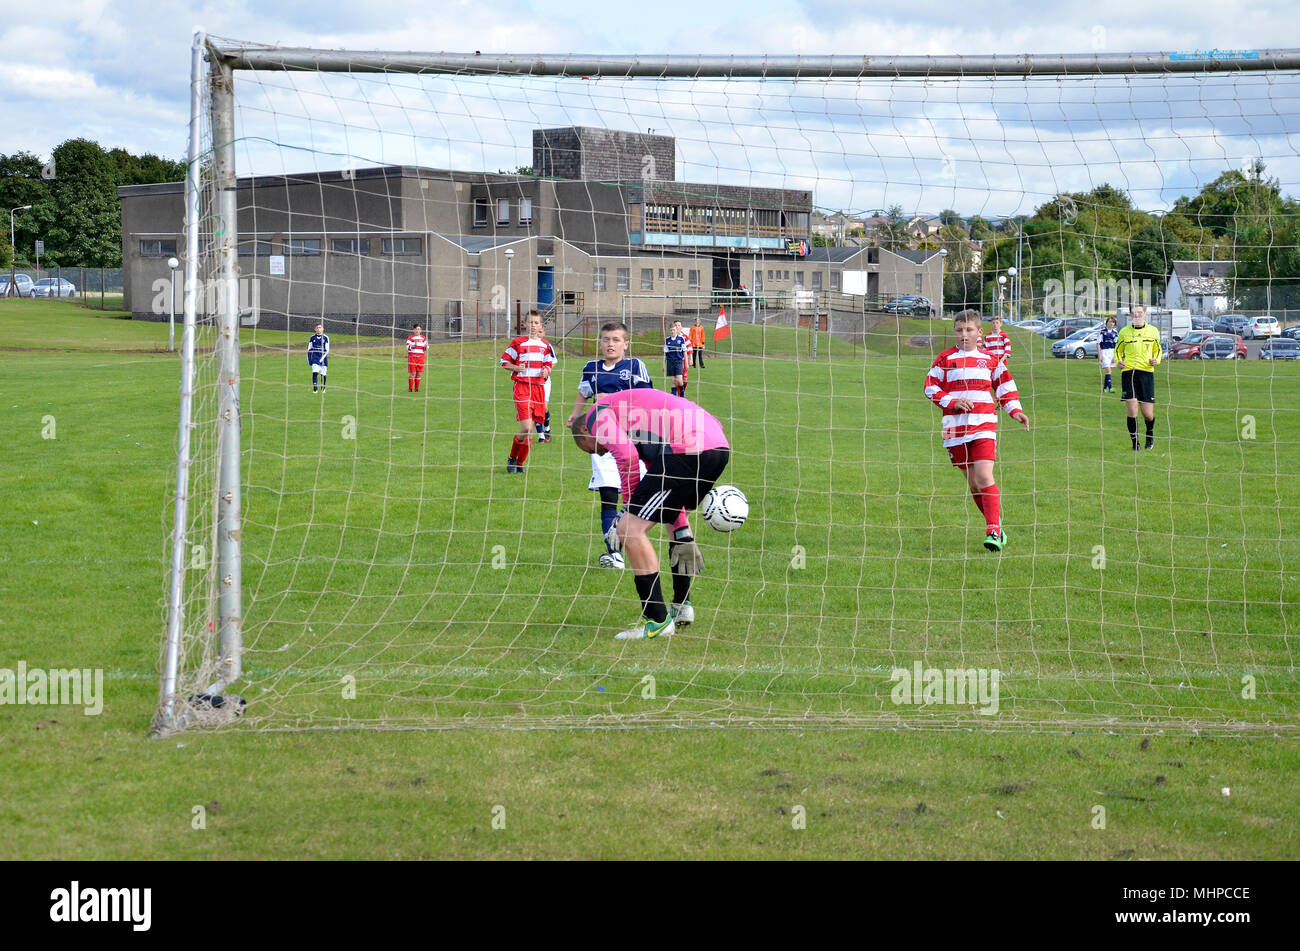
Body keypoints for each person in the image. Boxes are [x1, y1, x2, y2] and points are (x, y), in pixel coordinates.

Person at [570, 389, 729, 640]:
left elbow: (627, 457)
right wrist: (683, 531)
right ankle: (682, 605)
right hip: (717, 445)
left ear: (585, 432)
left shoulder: (594, 415)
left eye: (591, 450)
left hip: (687, 448)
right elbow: (664, 488)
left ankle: (656, 620)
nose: (600, 453)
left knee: (629, 530)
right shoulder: (638, 425)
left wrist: (626, 511)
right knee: (669, 520)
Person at [924, 309, 1030, 552]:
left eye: (969, 330)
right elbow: (930, 388)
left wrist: (1015, 411)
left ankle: (992, 530)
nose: (964, 335)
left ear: (979, 332)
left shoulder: (989, 360)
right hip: (953, 429)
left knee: (983, 477)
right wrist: (952, 402)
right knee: (973, 483)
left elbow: (1005, 388)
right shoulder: (945, 359)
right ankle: (996, 524)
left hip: (983, 425)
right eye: (959, 330)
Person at [566, 321, 654, 568]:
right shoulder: (591, 368)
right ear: (600, 343)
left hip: (633, 442)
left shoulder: (635, 366)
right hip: (602, 440)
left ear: (626, 344)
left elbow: (647, 399)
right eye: (606, 339)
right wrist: (575, 414)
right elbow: (584, 392)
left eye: (616, 340)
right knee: (608, 496)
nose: (610, 344)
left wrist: (614, 400)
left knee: (634, 498)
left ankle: (635, 541)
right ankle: (614, 554)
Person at [500, 312, 556, 474]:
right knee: (526, 427)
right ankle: (512, 457)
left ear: (540, 326)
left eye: (536, 322)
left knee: (530, 429)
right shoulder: (518, 342)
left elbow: (549, 363)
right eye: (530, 322)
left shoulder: (545, 345)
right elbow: (503, 362)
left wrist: (546, 370)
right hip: (522, 387)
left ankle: (519, 463)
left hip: (538, 389)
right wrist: (516, 368)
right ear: (524, 324)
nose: (533, 325)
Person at [1115, 305, 1162, 450]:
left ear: (1145, 313)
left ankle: (1149, 435)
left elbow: (1158, 350)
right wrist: (1119, 362)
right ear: (1130, 315)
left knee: (1148, 414)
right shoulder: (1124, 332)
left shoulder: (1153, 331)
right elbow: (1117, 351)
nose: (1137, 315)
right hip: (1129, 373)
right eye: (1134, 313)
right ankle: (1135, 443)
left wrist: (1157, 360)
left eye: (1140, 312)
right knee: (1132, 411)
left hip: (1147, 374)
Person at [664, 319, 688, 396]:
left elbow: (684, 352)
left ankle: (682, 393)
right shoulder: (667, 340)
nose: (672, 332)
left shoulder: (681, 339)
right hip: (670, 362)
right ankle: (674, 397)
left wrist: (686, 363)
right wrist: (663, 365)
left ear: (676, 330)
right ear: (669, 331)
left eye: (674, 330)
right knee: (673, 381)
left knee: (679, 380)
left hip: (679, 361)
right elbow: (665, 354)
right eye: (671, 330)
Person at [1098, 316, 1119, 392]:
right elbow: (1098, 344)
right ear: (1107, 322)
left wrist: (1115, 356)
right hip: (1104, 352)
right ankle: (1110, 388)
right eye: (1110, 321)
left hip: (1112, 352)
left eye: (1113, 322)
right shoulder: (1102, 332)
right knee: (1108, 370)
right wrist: (1099, 354)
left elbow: (1117, 345)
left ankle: (1104, 388)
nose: (1111, 323)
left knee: (1109, 371)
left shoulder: (1115, 332)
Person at [307, 322, 329, 393]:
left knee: (323, 374)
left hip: (323, 360)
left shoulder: (326, 338)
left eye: (320, 327)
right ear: (315, 329)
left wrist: (322, 359)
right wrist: (309, 360)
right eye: (317, 328)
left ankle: (323, 388)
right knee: (315, 372)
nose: (318, 329)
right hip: (315, 359)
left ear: (323, 329)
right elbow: (309, 350)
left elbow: (327, 350)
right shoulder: (312, 337)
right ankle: (315, 389)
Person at [406, 324, 428, 393]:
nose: (417, 330)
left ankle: (417, 389)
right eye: (416, 329)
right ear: (414, 330)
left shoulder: (423, 338)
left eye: (419, 329)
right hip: (412, 358)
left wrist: (426, 347)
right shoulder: (410, 338)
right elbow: (407, 347)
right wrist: (413, 346)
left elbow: (426, 348)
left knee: (419, 374)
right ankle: (410, 389)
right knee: (413, 373)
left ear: (420, 330)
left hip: (421, 358)